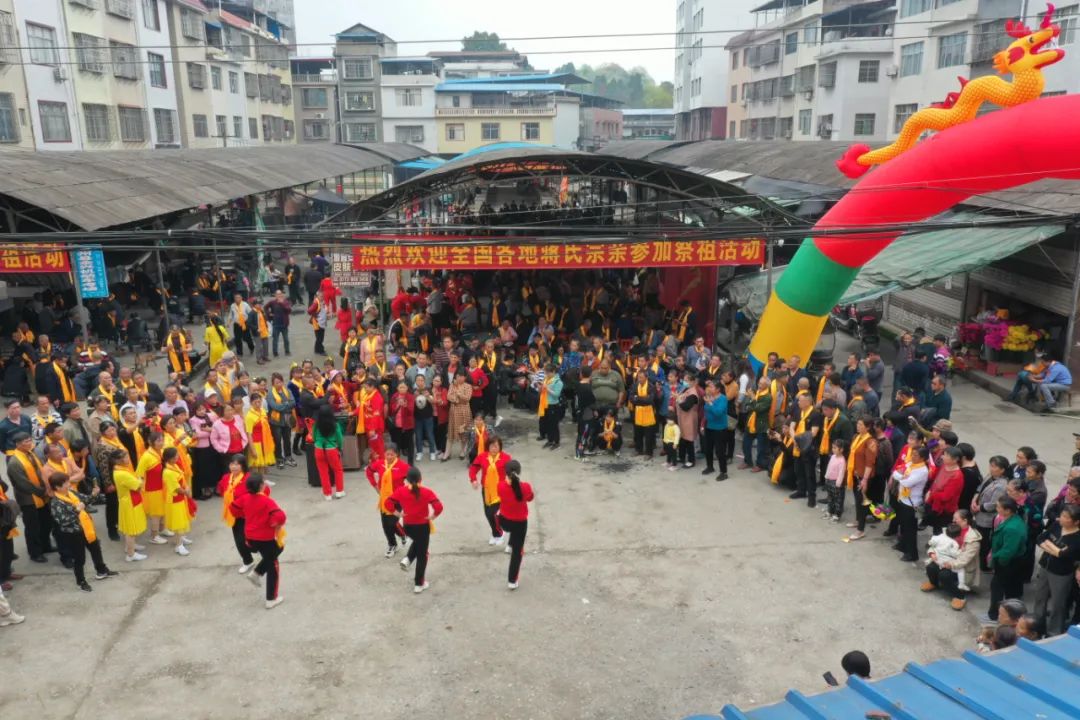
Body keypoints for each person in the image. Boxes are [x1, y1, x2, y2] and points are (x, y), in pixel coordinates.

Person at [49, 472, 116, 591]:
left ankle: (101, 570)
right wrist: (77, 510)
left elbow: (85, 500)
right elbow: (62, 521)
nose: (69, 484)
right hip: (74, 533)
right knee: (80, 558)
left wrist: (94, 494)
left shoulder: (71, 493)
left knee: (96, 549)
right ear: (58, 487)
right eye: (66, 483)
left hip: (86, 527)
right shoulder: (56, 502)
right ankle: (81, 581)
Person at [385, 467, 443, 594]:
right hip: (422, 526)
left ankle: (408, 559)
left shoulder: (401, 491)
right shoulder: (427, 492)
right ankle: (419, 583)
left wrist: (397, 513)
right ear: (420, 480)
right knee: (423, 554)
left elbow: (387, 502)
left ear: (406, 480)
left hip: (408, 526)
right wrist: (432, 516)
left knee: (418, 543)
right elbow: (439, 507)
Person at [235, 474, 287, 609]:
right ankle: (271, 598)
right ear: (261, 486)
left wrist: (246, 516)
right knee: (273, 565)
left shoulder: (245, 498)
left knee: (278, 550)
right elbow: (280, 516)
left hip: (251, 537)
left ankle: (257, 572)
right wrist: (272, 523)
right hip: (265, 537)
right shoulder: (267, 501)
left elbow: (233, 507)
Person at [1032, 504, 1080, 636]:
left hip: (1061, 573)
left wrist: (1051, 547)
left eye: (1066, 517)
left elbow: (1064, 555)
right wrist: (1055, 550)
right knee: (1039, 598)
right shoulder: (1057, 526)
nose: (1062, 518)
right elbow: (1040, 538)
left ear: (1076, 522)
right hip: (1045, 567)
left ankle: (1053, 631)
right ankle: (1036, 626)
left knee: (1057, 604)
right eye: (1062, 515)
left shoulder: (1076, 538)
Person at [923, 509, 982, 610]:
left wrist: (951, 564)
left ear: (965, 521)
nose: (953, 520)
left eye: (956, 518)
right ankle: (934, 583)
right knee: (930, 567)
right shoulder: (951, 529)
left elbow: (965, 559)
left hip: (961, 566)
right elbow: (938, 542)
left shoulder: (973, 538)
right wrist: (932, 552)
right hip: (944, 560)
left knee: (944, 575)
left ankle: (960, 596)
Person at [8, 431, 51, 563]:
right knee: (32, 527)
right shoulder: (14, 462)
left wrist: (46, 487)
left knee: (45, 522)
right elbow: (23, 484)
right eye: (25, 442)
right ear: (18, 444)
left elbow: (40, 471)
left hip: (41, 494)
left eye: (29, 440)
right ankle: (35, 553)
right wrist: (42, 491)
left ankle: (46, 546)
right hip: (28, 499)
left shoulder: (31, 454)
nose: (29, 443)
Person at [984, 497, 1028, 623]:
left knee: (998, 586)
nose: (996, 509)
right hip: (1012, 561)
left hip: (1008, 562)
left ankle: (995, 614)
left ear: (1007, 510)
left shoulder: (1012, 528)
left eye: (998, 507)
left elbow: (1008, 551)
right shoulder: (1012, 520)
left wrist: (996, 558)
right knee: (1011, 587)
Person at [366, 444, 409, 558]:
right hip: (384, 500)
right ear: (384, 454)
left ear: (397, 455)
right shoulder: (380, 463)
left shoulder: (402, 466)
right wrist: (375, 486)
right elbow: (369, 472)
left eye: (392, 454)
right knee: (385, 525)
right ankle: (392, 545)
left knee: (391, 522)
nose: (389, 456)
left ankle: (402, 534)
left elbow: (415, 479)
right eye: (387, 454)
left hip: (398, 500)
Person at [497, 459, 534, 590]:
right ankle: (512, 581)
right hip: (519, 523)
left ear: (505, 472)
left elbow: (501, 495)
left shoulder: (500, 486)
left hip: (505, 521)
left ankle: (509, 545)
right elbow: (530, 497)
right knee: (517, 553)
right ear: (519, 472)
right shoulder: (526, 487)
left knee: (510, 527)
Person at [468, 435, 510, 546]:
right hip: (486, 490)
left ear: (500, 447)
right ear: (488, 447)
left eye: (496, 446)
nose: (494, 448)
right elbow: (473, 468)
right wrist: (473, 480)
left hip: (500, 490)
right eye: (492, 446)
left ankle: (500, 533)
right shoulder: (482, 457)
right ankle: (495, 532)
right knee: (487, 514)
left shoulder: (506, 458)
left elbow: (512, 471)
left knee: (493, 513)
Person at [971, 456, 1010, 571]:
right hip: (978, 512)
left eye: (994, 466)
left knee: (985, 542)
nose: (991, 468)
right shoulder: (990, 476)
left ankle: (984, 564)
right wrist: (975, 498)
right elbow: (980, 488)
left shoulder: (1001, 486)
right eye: (991, 465)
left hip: (987, 518)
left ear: (1002, 470)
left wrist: (979, 508)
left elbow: (993, 504)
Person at [893, 445, 930, 562]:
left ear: (923, 458)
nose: (912, 457)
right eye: (912, 454)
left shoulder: (922, 471)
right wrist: (902, 476)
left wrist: (901, 477)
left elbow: (907, 483)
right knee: (903, 526)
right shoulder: (911, 464)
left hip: (911, 503)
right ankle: (902, 545)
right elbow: (896, 472)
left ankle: (912, 553)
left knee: (910, 529)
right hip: (902, 498)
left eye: (915, 455)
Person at [136, 432, 168, 546]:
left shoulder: (160, 452)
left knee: (163, 510)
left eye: (162, 440)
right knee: (155, 513)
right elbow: (139, 474)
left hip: (161, 487)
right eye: (158, 441)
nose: (161, 443)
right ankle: (154, 536)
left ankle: (162, 529)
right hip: (151, 489)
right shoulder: (146, 456)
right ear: (151, 442)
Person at [162, 447, 194, 557]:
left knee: (182, 520)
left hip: (181, 499)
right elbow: (176, 488)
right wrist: (186, 492)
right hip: (175, 500)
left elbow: (182, 480)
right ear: (169, 459)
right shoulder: (168, 472)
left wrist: (187, 488)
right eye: (175, 456)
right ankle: (178, 545)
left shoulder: (174, 466)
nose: (177, 457)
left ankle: (182, 537)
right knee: (177, 523)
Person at [313, 404, 345, 501]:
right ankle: (339, 491)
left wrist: (318, 443)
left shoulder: (316, 425)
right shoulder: (335, 425)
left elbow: (314, 436)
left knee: (323, 472)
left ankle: (327, 494)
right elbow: (339, 439)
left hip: (319, 449)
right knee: (338, 470)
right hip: (331, 449)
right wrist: (340, 448)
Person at [267, 373, 297, 471]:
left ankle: (288, 456)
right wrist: (286, 405)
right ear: (273, 384)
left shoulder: (287, 391)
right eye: (277, 382)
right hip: (276, 421)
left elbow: (293, 402)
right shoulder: (270, 394)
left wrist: (283, 406)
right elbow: (275, 406)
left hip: (287, 420)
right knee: (277, 439)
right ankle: (279, 458)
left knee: (287, 438)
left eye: (280, 382)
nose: (279, 384)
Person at [701, 379, 729, 480]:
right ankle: (710, 467)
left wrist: (711, 404)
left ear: (718, 389)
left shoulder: (723, 399)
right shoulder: (710, 397)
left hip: (720, 428)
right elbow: (705, 409)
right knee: (708, 448)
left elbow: (718, 413)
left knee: (720, 451)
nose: (709, 388)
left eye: (712, 387)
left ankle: (723, 472)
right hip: (709, 426)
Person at [444, 372, 473, 461]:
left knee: (463, 431)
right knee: (451, 432)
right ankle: (447, 453)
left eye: (461, 376)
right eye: (457, 376)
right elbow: (448, 396)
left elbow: (467, 398)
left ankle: (463, 451)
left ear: (464, 377)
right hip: (454, 410)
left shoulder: (468, 386)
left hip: (464, 410)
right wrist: (456, 399)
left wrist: (458, 394)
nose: (459, 378)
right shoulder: (452, 385)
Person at [630, 370, 657, 459]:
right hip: (638, 412)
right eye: (638, 377)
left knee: (648, 435)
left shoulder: (651, 386)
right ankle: (639, 450)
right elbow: (631, 398)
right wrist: (643, 399)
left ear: (646, 377)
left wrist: (637, 398)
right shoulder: (635, 385)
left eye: (641, 377)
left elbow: (650, 400)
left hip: (648, 413)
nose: (639, 379)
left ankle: (649, 453)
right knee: (638, 433)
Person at [536, 363, 563, 450]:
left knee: (554, 424)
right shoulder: (546, 379)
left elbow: (556, 395)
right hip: (545, 404)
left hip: (553, 405)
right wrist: (540, 387)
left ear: (553, 372)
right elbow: (542, 391)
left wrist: (546, 388)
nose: (546, 375)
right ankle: (550, 440)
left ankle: (556, 441)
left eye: (548, 373)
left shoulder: (558, 382)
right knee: (547, 423)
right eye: (546, 373)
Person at [824, 439, 848, 523]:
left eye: (835, 448)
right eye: (832, 447)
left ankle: (837, 515)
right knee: (830, 498)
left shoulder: (842, 460)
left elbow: (841, 473)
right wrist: (826, 476)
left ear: (841, 449)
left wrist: (838, 484)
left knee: (838, 500)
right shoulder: (833, 457)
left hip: (837, 483)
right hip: (829, 480)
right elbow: (829, 467)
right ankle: (830, 511)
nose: (833, 449)